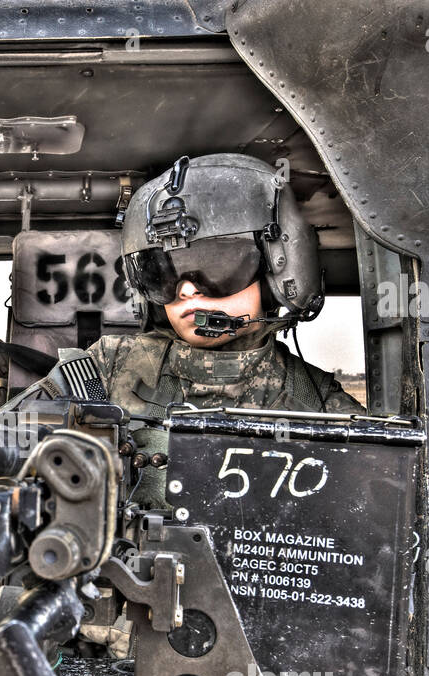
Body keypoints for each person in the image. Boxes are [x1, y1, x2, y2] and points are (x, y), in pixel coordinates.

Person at [87, 152, 364, 507]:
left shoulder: (317, 402)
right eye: (163, 273)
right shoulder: (105, 367)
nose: (186, 290)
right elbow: (8, 443)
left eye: (215, 265)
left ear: (276, 271)